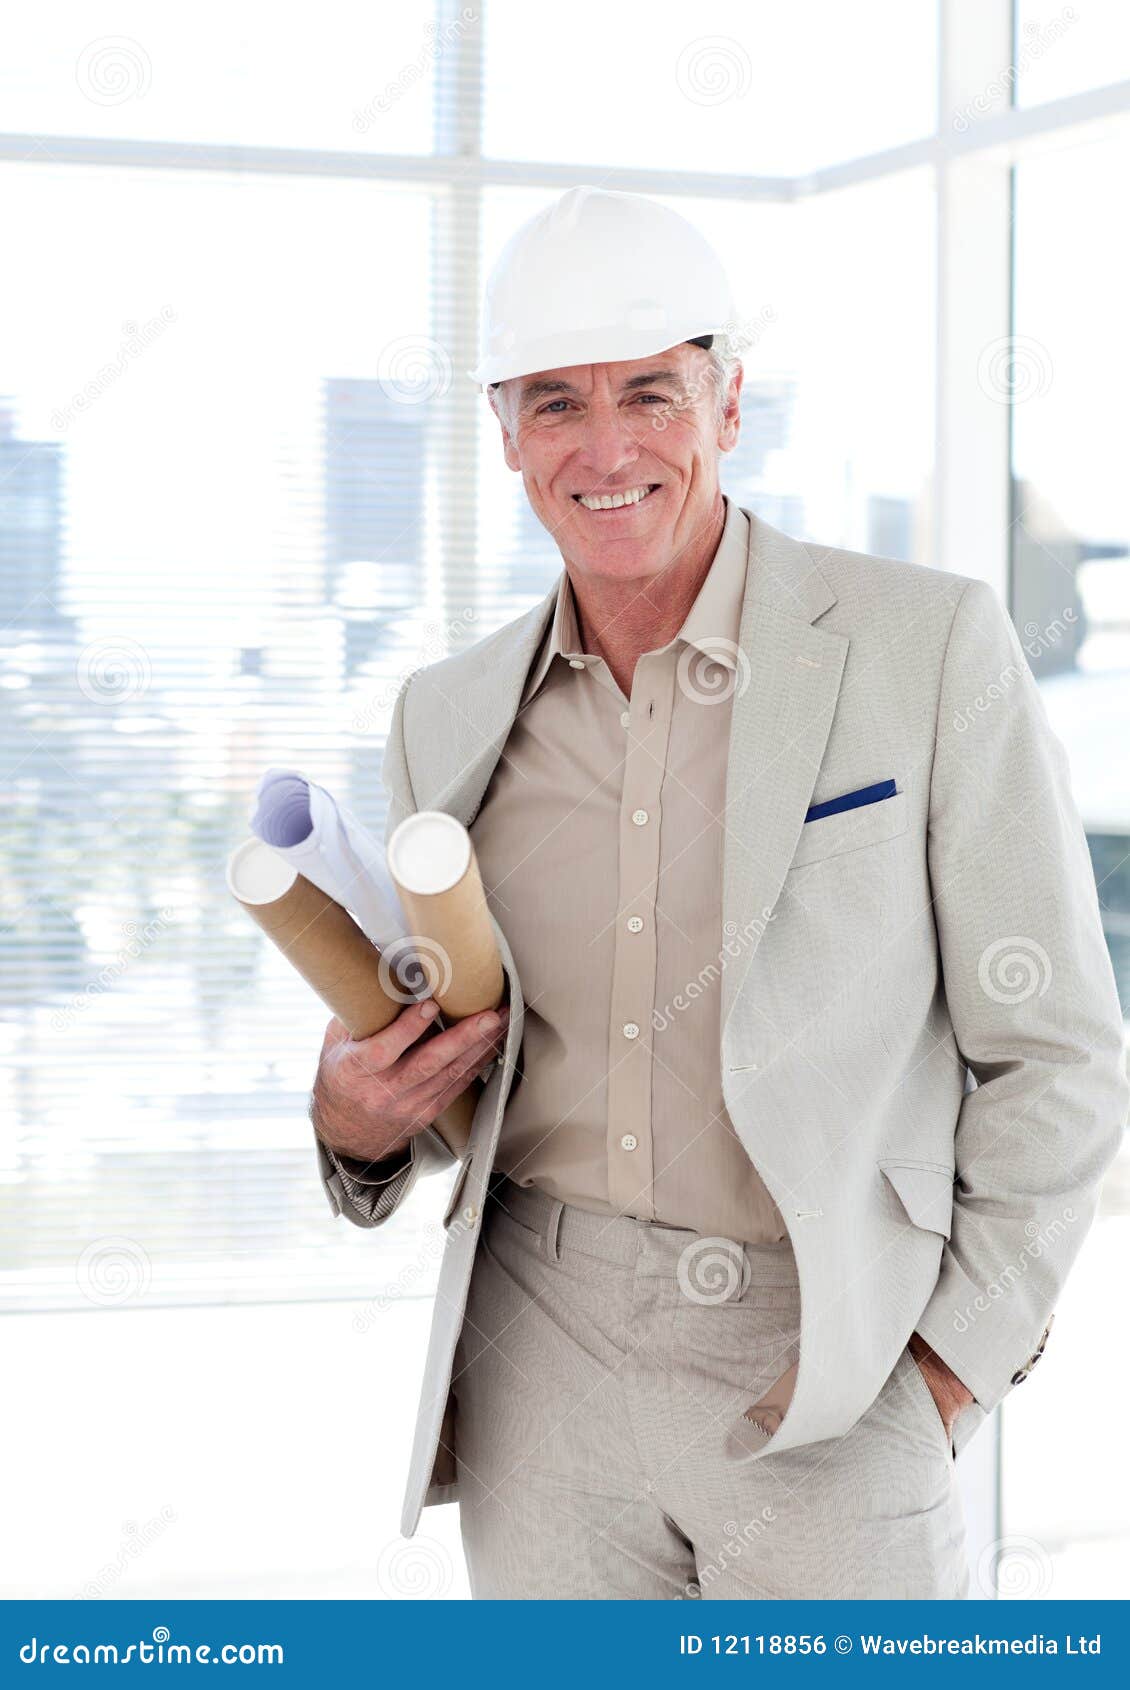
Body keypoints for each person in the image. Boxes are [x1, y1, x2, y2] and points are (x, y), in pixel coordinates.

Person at [310, 187, 1128, 1599]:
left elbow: (1053, 1048)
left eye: (651, 392)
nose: (607, 445)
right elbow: (462, 1066)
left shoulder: (920, 647)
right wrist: (354, 1124)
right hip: (537, 1364)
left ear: (730, 403)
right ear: (506, 435)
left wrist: (943, 1368)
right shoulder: (441, 718)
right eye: (555, 403)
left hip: (832, 1358)